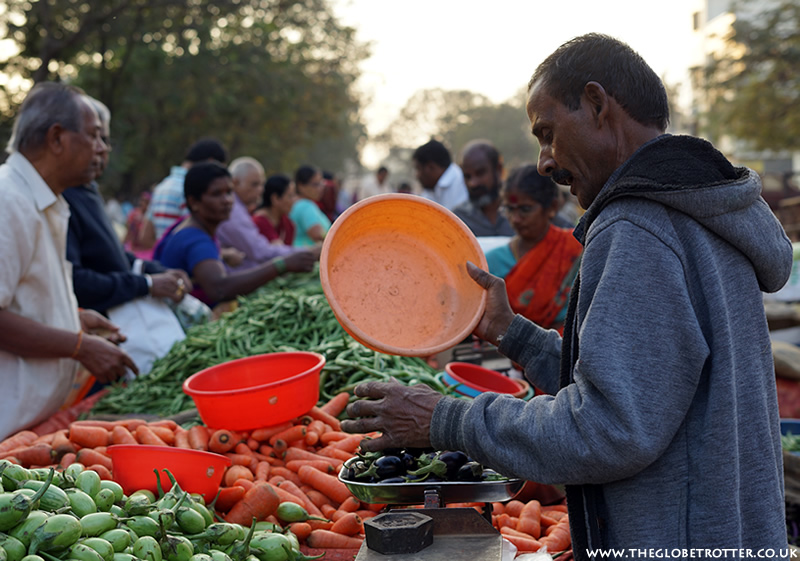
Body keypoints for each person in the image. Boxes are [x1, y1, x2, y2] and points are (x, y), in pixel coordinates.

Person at [341, 33, 793, 557]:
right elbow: (648, 385)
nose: (543, 162)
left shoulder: (638, 225)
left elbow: (610, 428)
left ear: (598, 105)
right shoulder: (697, 209)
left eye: (548, 132)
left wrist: (442, 418)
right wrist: (512, 333)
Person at [0, 82, 137, 439]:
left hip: (27, 426)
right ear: (57, 138)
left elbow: (19, 296)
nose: (101, 149)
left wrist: (71, 318)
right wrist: (79, 346)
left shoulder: (46, 202)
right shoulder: (7, 201)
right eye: (93, 136)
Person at [64, 98, 191, 317]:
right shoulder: (61, 197)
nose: (103, 149)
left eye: (104, 139)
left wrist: (153, 271)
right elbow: (76, 281)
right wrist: (146, 284)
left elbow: (109, 256)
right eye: (94, 138)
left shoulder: (87, 190)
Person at [154, 162, 316, 307]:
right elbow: (219, 289)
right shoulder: (196, 239)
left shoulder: (192, 227)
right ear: (194, 202)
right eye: (216, 194)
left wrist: (223, 255)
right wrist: (281, 265)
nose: (227, 200)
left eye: (229, 192)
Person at [484, 165, 581, 334]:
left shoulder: (575, 248)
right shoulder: (491, 261)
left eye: (525, 209)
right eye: (509, 209)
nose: (515, 219)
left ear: (552, 207)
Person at [216, 157, 311, 271]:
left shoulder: (287, 222)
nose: (261, 189)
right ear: (235, 183)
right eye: (255, 184)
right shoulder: (234, 212)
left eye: (262, 184)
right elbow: (260, 252)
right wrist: (307, 253)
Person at [138, 138, 228, 252]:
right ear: (211, 162)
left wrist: (166, 251)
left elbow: (145, 237)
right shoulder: (191, 190)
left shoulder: (162, 187)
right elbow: (196, 235)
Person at [452, 140, 514, 237]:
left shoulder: (522, 211)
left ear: (498, 170)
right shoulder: (458, 221)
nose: (473, 183)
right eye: (467, 176)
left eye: (480, 173)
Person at [412, 139, 469, 211]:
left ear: (431, 167)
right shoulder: (430, 190)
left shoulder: (462, 182)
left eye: (418, 169)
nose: (417, 175)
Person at [289, 164, 331, 247]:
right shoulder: (305, 206)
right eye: (316, 184)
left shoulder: (295, 204)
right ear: (301, 186)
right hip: (308, 255)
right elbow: (317, 234)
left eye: (321, 184)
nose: (320, 188)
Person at [252, 173, 297, 246]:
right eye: (290, 196)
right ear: (275, 198)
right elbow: (279, 249)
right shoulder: (258, 222)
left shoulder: (288, 223)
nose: (294, 200)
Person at [124, 190, 152, 258]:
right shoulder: (133, 214)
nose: (142, 203)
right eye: (142, 200)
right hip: (132, 248)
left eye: (146, 202)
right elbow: (128, 232)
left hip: (146, 251)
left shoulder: (151, 217)